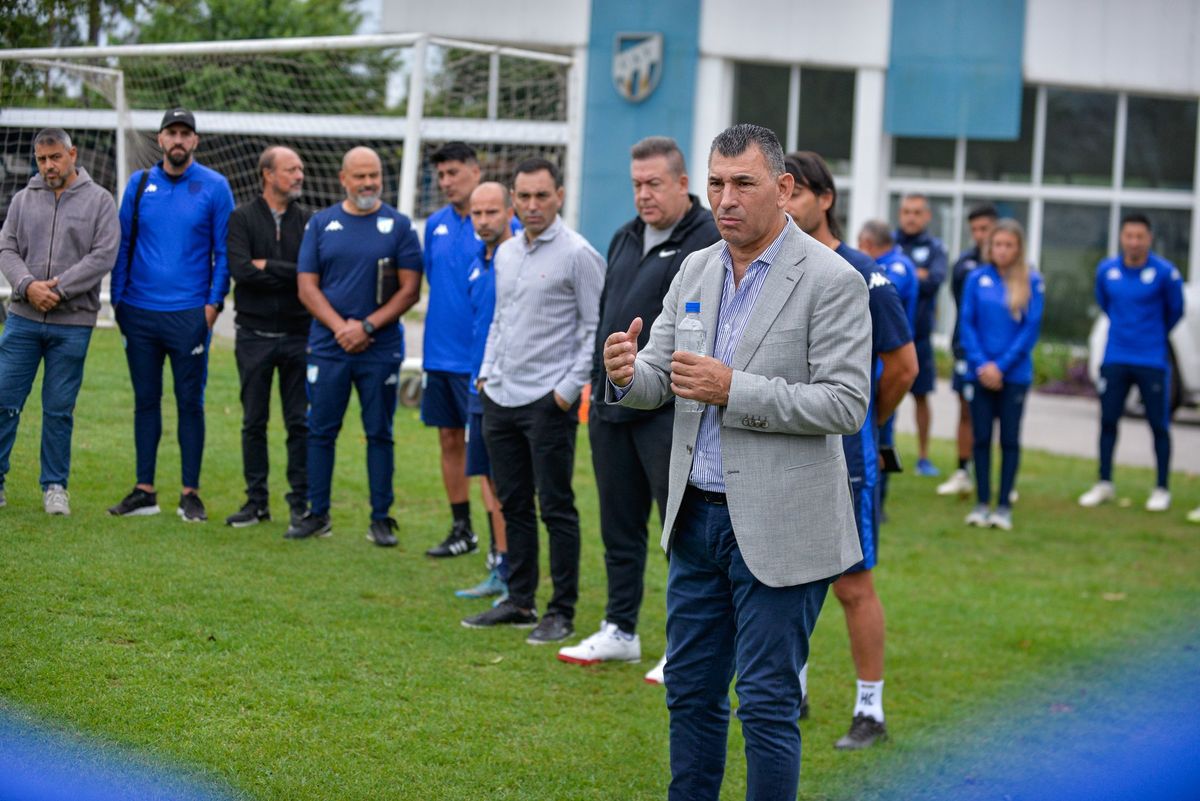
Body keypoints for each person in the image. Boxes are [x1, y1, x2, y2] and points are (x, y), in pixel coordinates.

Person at [603, 124, 871, 800]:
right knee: (690, 694)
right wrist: (626, 374)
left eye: (743, 183)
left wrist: (734, 390)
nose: (725, 199)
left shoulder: (832, 279)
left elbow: (845, 404)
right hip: (695, 521)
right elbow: (659, 378)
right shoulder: (696, 267)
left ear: (783, 188)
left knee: (766, 703)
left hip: (781, 526)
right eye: (717, 183)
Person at [556, 136, 719, 681]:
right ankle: (620, 630)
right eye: (636, 185)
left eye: (654, 184)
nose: (644, 195)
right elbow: (605, 316)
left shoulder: (708, 243)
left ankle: (687, 645)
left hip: (671, 411)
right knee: (619, 527)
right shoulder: (625, 236)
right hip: (610, 406)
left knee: (680, 533)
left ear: (682, 183)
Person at [785, 152, 917, 750]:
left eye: (796, 193)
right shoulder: (778, 268)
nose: (785, 204)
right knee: (783, 575)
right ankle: (794, 691)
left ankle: (871, 710)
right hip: (784, 449)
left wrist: (869, 420)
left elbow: (904, 365)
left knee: (851, 584)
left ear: (825, 198)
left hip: (849, 457)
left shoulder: (866, 275)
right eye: (778, 192)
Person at [460, 158, 605, 646]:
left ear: (559, 196)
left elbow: (593, 331)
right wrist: (486, 373)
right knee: (512, 502)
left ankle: (561, 610)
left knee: (556, 506)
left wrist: (565, 393)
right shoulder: (505, 253)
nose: (532, 205)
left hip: (549, 403)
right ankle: (520, 600)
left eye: (542, 195)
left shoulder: (578, 254)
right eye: (523, 196)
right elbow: (501, 319)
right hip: (500, 395)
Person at [286, 146, 422, 543]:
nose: (368, 183)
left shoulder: (398, 226)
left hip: (379, 350)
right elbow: (306, 287)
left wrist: (366, 326)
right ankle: (318, 514)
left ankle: (381, 518)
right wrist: (341, 328)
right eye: (359, 176)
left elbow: (410, 289)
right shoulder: (321, 224)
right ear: (343, 179)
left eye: (374, 175)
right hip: (329, 348)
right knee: (320, 431)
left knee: (379, 432)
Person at [107, 108, 234, 522]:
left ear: (195, 141)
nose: (178, 140)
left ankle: (189, 493)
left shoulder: (215, 187)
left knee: (189, 404)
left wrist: (213, 306)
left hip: (189, 316)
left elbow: (224, 252)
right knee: (146, 402)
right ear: (160, 139)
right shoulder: (139, 183)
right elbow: (122, 245)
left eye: (185, 133)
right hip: (139, 313)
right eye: (171, 132)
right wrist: (119, 302)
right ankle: (144, 491)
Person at [0, 128, 119, 515]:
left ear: (72, 153)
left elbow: (103, 255)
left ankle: (55, 486)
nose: (48, 166)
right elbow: (7, 246)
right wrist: (26, 285)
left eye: (55, 157)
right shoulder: (22, 199)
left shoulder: (100, 201)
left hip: (73, 324)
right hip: (22, 319)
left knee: (58, 408)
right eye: (41, 159)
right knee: (4, 401)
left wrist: (59, 289)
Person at [223, 146, 311, 529]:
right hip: (254, 336)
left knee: (299, 423)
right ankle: (256, 502)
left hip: (298, 336)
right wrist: (288, 273)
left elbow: (310, 274)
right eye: (291, 170)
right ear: (268, 174)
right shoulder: (241, 218)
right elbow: (241, 271)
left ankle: (301, 502)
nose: (299, 176)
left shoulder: (309, 221)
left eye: (301, 169)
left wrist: (270, 266)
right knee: (253, 422)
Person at [1079, 213, 1183, 513]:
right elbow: (1105, 303)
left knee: (1158, 425)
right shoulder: (1107, 270)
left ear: (1149, 239)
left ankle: (1162, 487)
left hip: (1151, 358)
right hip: (1116, 357)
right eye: (1129, 236)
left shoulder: (1165, 273)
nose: (1134, 242)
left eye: (1140, 236)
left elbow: (1175, 311)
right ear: (1122, 238)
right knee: (1108, 421)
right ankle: (1104, 482)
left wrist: (1151, 335)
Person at [421, 142, 485, 558]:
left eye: (453, 173)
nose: (446, 182)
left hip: (481, 361)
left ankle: (504, 542)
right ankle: (462, 528)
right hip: (439, 356)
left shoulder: (503, 224)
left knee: (489, 453)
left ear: (475, 172)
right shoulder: (435, 225)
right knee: (448, 439)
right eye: (441, 175)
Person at [959, 220, 1044, 530]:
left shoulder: (1031, 281)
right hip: (980, 374)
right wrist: (983, 365)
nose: (1003, 250)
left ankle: (1004, 505)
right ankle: (982, 504)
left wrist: (1001, 367)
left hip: (1014, 376)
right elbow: (967, 324)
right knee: (981, 439)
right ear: (989, 247)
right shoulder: (976, 279)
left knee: (1009, 440)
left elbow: (1030, 330)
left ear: (1018, 248)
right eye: (998, 245)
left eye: (1009, 245)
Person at [454, 181, 513, 600]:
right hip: (478, 384)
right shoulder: (477, 259)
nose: (485, 220)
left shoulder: (516, 259)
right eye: (477, 213)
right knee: (487, 480)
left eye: (493, 212)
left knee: (508, 484)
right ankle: (499, 563)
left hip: (510, 389)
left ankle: (513, 570)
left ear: (509, 211)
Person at [857, 218, 918, 521]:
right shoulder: (900, 264)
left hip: (887, 360)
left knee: (880, 436)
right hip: (886, 356)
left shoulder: (888, 271)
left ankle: (876, 505)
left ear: (867, 243)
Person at [939, 203, 998, 497]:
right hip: (967, 348)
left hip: (999, 356)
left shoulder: (1009, 268)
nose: (979, 235)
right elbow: (963, 309)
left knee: (998, 416)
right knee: (966, 410)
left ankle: (995, 478)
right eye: (974, 229)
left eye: (985, 228)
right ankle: (963, 470)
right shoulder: (964, 265)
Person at [895, 193, 948, 477]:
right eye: (906, 212)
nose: (910, 217)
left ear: (927, 216)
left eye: (916, 212)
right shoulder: (891, 242)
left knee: (921, 397)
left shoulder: (935, 248)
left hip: (921, 337)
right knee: (885, 397)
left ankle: (924, 457)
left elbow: (935, 281)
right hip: (890, 337)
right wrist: (918, 274)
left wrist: (903, 273)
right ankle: (884, 453)